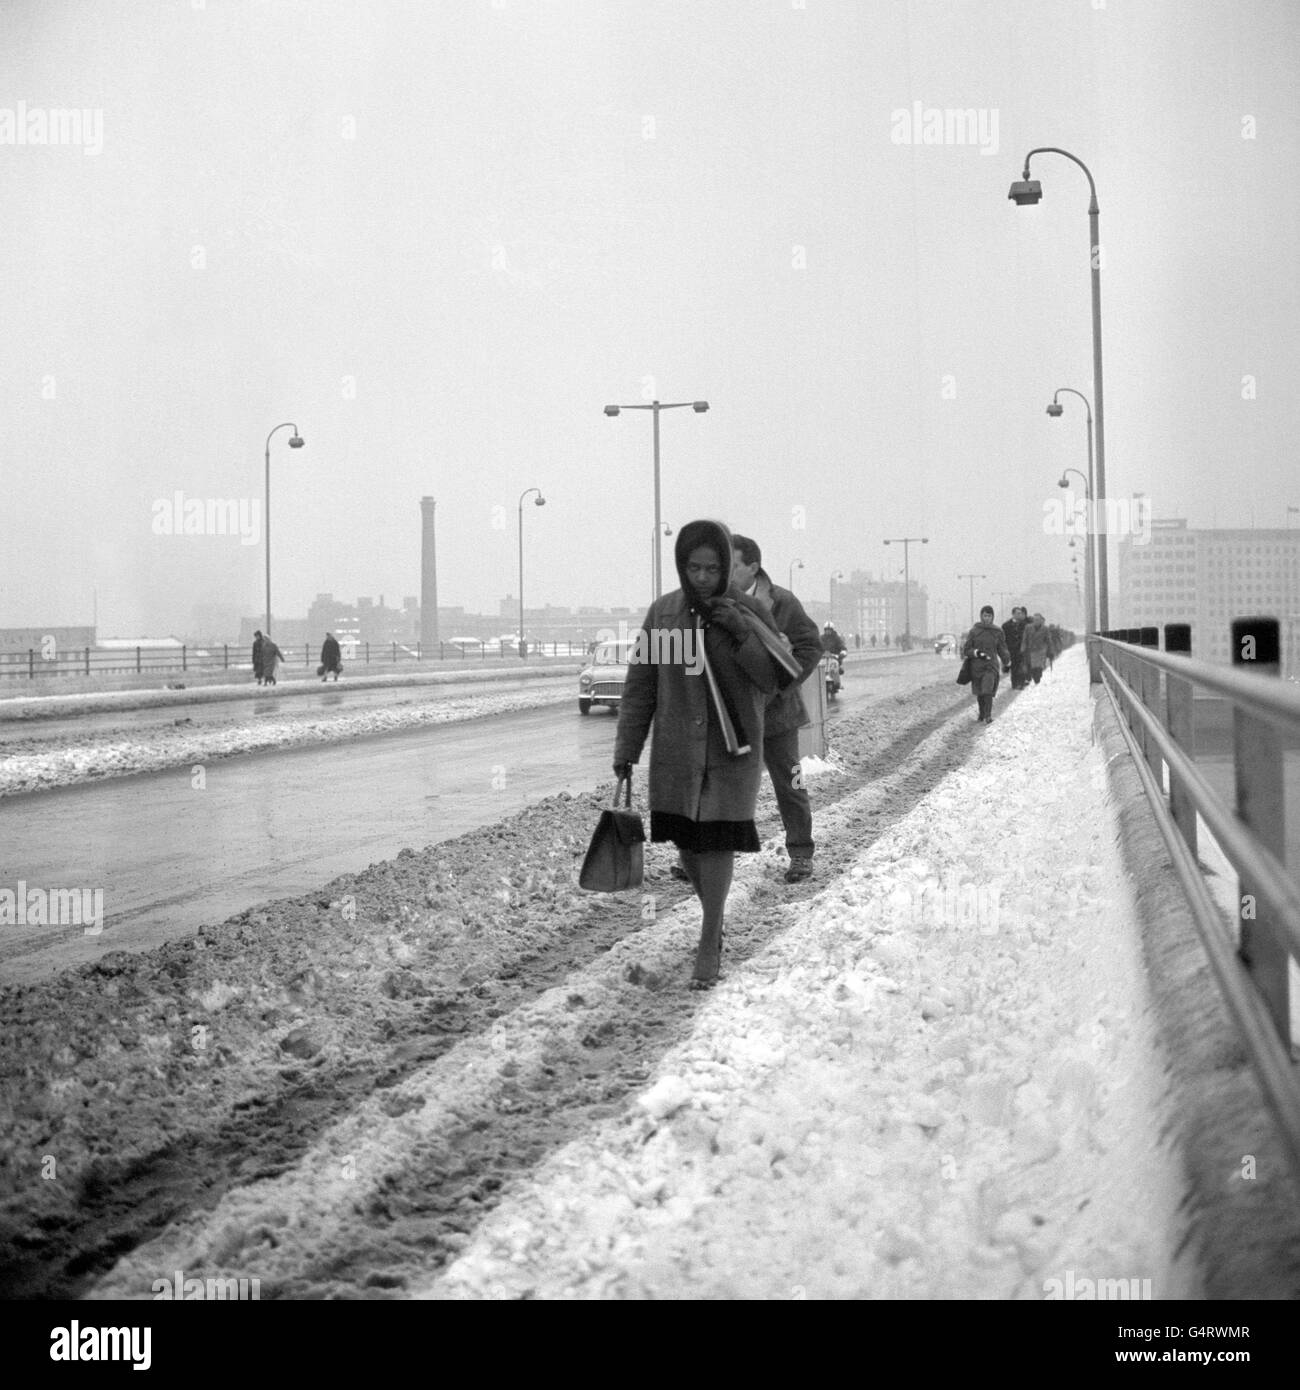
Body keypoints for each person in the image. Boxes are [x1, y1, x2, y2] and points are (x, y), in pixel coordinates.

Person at [614, 520, 792, 989]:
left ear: (726, 566)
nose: (703, 577)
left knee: (715, 842)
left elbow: (773, 678)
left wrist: (741, 634)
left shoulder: (748, 611)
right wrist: (626, 749)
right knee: (687, 845)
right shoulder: (664, 615)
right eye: (694, 568)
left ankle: (710, 936)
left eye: (713, 568)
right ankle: (712, 915)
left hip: (732, 751)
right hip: (676, 752)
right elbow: (641, 687)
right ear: (681, 566)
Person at [728, 534, 825, 882]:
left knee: (792, 784)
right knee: (723, 785)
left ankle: (801, 853)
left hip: (777, 717)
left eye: (733, 564)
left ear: (753, 568)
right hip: (733, 714)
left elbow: (811, 646)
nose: (725, 570)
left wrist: (785, 683)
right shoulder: (719, 604)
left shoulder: (783, 602)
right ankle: (706, 855)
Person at [961, 605, 1011, 723]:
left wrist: (1006, 661)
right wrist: (976, 652)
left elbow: (1002, 648)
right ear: (981, 616)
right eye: (985, 615)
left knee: (987, 690)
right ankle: (982, 713)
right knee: (980, 692)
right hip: (977, 667)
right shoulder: (974, 631)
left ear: (992, 617)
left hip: (991, 666)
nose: (987, 618)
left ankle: (988, 716)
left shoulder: (997, 631)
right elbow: (967, 649)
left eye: (989, 616)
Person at [1002, 606, 1028, 689]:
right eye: (1018, 613)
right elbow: (1003, 639)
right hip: (1011, 650)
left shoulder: (1024, 625)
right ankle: (1015, 684)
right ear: (1013, 614)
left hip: (1022, 649)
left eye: (1020, 613)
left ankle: (1021, 683)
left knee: (1022, 666)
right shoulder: (1006, 626)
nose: (1020, 615)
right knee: (1014, 667)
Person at [1022, 612, 1049, 685]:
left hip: (1041, 650)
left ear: (1041, 620)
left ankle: (1038, 676)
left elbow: (1048, 640)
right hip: (1031, 650)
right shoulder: (1028, 627)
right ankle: (1036, 678)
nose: (1036, 621)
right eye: (1035, 620)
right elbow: (1024, 638)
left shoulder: (1045, 629)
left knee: (1039, 666)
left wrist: (1050, 650)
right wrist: (1023, 648)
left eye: (1038, 620)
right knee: (1033, 666)